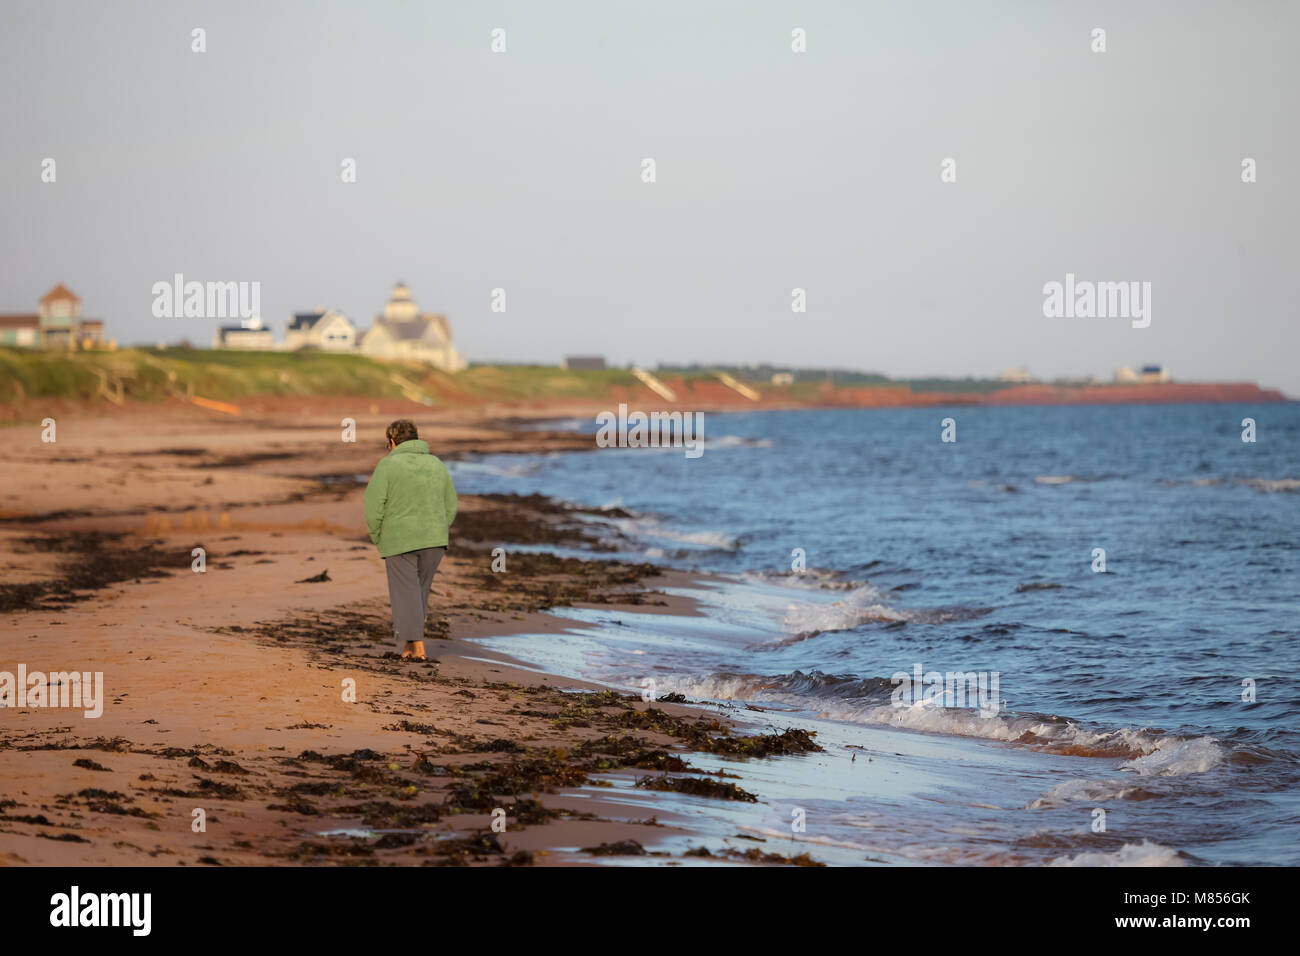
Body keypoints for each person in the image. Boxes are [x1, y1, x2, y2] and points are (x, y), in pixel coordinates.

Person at [363, 419, 458, 660]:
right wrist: (438, 529)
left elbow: (373, 507)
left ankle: (419, 647)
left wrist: (379, 538)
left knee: (405, 593)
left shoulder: (388, 465)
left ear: (392, 441)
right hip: (434, 539)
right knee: (417, 593)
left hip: (399, 539)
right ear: (416, 438)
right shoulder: (437, 464)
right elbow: (451, 505)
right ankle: (409, 647)